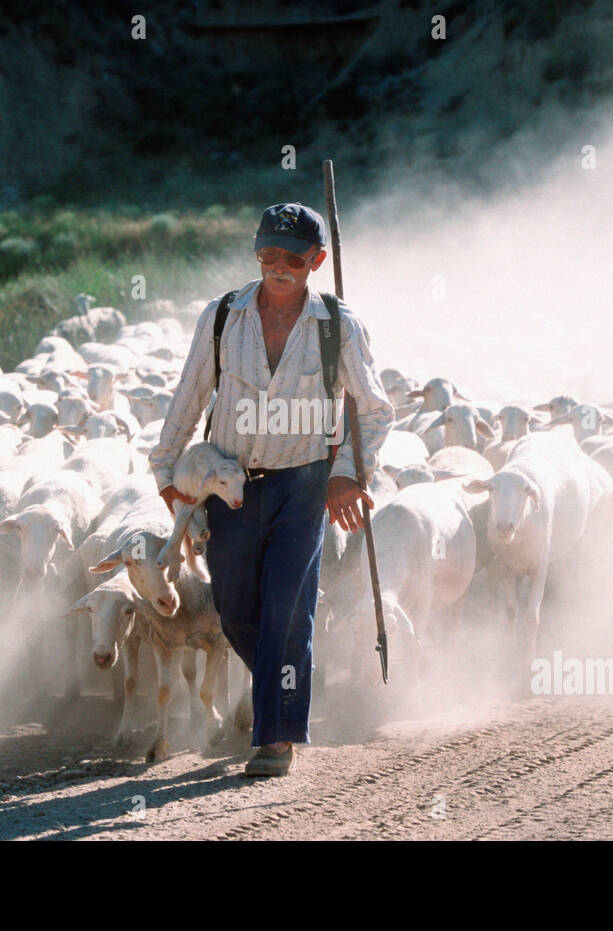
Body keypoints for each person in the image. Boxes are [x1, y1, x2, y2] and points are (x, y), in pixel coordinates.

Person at [149, 202, 394, 776]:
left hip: (306, 485)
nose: (277, 266)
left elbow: (374, 411)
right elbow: (189, 396)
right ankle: (284, 687)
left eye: (291, 257)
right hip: (231, 486)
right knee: (234, 608)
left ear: (317, 260)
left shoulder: (339, 326)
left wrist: (346, 474)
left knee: (287, 607)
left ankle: (275, 737)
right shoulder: (220, 318)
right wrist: (167, 475)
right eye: (266, 253)